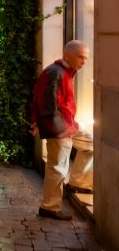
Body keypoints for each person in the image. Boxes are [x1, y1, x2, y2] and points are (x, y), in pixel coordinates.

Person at [32, 40, 93, 221]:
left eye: (86, 58)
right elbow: (47, 105)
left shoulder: (63, 72)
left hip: (67, 125)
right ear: (68, 56)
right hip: (61, 128)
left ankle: (79, 182)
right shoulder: (56, 73)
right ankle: (49, 207)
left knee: (90, 144)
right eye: (81, 57)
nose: (84, 61)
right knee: (57, 167)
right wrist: (60, 130)